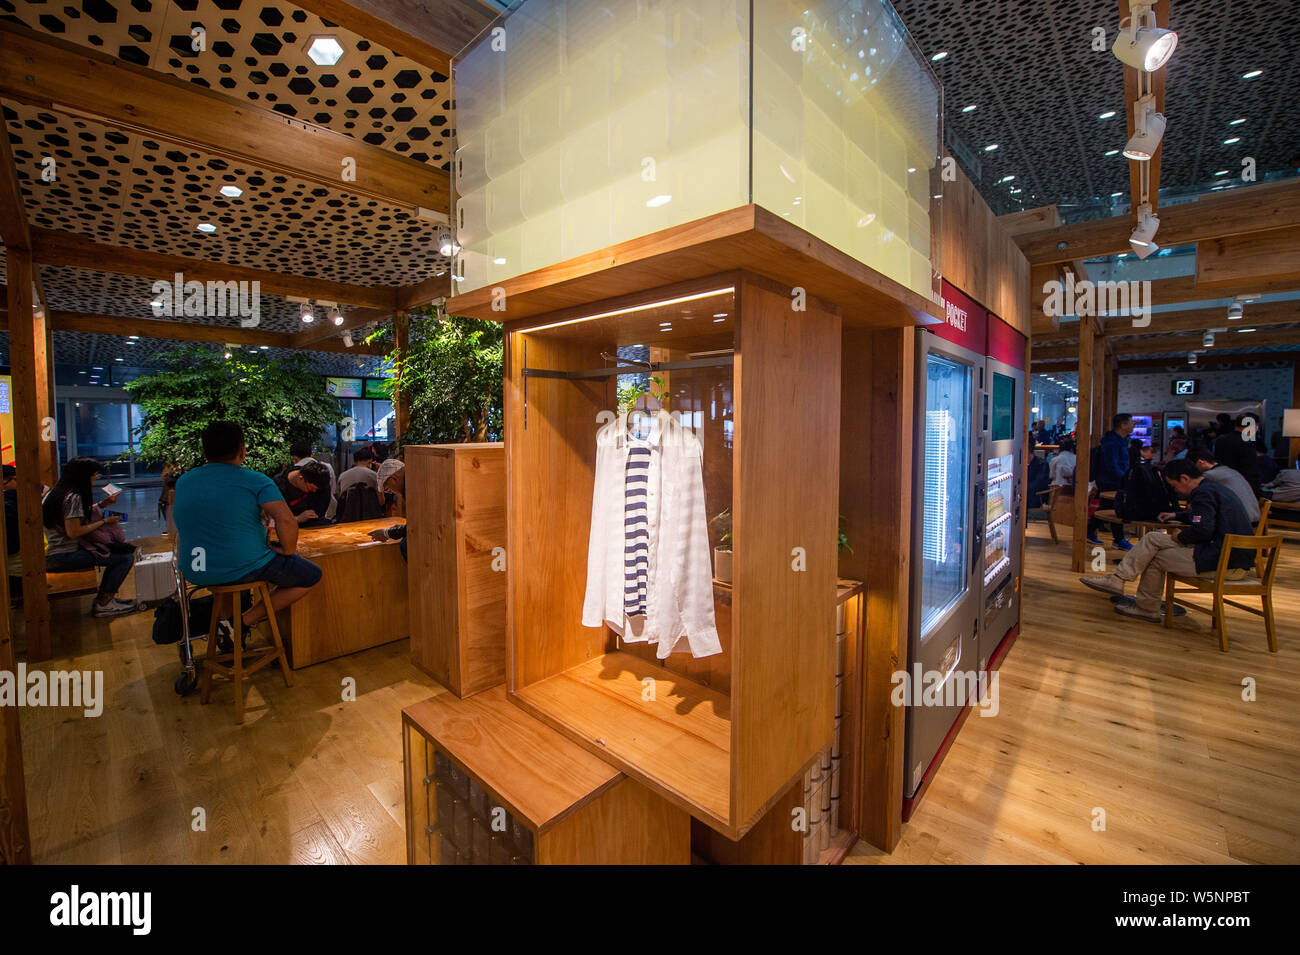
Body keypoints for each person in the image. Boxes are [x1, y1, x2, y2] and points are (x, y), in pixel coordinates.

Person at [174, 421, 322, 632]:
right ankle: (243, 621)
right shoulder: (255, 481)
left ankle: (225, 626)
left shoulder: (184, 481)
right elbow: (287, 521)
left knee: (229, 573)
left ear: (204, 451)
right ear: (242, 451)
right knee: (310, 574)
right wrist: (287, 550)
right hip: (240, 567)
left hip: (196, 569)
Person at [1079, 458, 1255, 621]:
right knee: (1152, 539)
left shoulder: (1202, 494)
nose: (1176, 492)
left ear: (1184, 478)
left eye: (1175, 486)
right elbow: (1205, 518)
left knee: (1154, 558)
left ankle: (1145, 607)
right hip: (1231, 555)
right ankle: (1118, 580)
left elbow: (1203, 530)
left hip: (1225, 562)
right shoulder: (1211, 488)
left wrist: (1180, 536)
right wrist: (1177, 515)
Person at [41, 457, 138, 618]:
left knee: (117, 554)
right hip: (63, 554)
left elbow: (71, 520)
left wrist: (102, 505)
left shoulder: (56, 492)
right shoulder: (73, 498)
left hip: (55, 551)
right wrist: (104, 521)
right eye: (94, 474)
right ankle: (104, 603)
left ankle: (105, 599)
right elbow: (74, 532)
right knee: (124, 558)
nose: (95, 478)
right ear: (83, 476)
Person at [1087, 413, 1135, 550]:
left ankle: (1093, 532)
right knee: (1113, 508)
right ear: (1123, 425)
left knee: (1110, 508)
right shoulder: (1112, 442)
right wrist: (1124, 478)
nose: (1133, 425)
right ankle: (1118, 539)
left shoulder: (1118, 440)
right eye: (1131, 423)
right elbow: (1111, 464)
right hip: (1110, 480)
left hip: (1113, 479)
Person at [1186, 448, 1260, 522]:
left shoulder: (1209, 475)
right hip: (1254, 517)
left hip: (1241, 521)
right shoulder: (1230, 471)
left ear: (1200, 462)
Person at [273, 460, 333, 525]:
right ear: (301, 478)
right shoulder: (277, 486)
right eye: (311, 488)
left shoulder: (321, 484)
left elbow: (320, 513)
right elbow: (275, 518)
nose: (314, 491)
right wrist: (298, 519)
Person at [1212, 415, 1261, 492]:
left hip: (1223, 484)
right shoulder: (1247, 443)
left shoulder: (1220, 440)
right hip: (1243, 486)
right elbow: (1250, 470)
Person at [291, 440, 337, 518]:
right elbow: (332, 489)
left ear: (294, 458)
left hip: (301, 516)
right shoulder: (327, 467)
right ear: (311, 455)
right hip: (327, 512)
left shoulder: (292, 473)